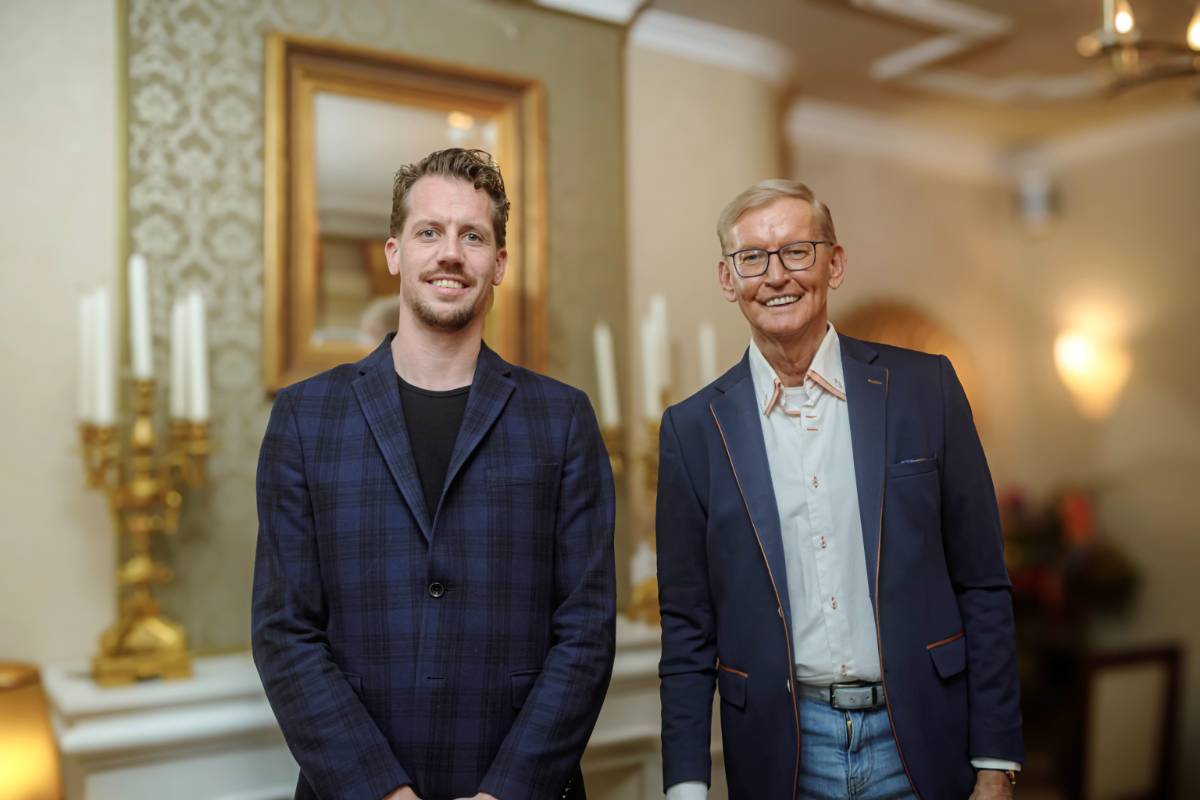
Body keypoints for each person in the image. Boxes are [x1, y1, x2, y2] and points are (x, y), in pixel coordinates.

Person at [253, 148, 616, 800]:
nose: (451, 253)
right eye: (430, 232)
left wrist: (506, 792)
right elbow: (286, 634)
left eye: (472, 235)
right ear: (395, 253)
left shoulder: (562, 419)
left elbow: (586, 634)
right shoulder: (305, 418)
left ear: (498, 263)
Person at [655, 179, 1023, 799]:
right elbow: (688, 627)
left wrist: (996, 762)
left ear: (835, 262)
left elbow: (982, 584)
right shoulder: (692, 431)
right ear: (727, 279)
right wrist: (686, 788)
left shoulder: (925, 388)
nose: (776, 276)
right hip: (784, 755)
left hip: (928, 741)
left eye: (798, 251)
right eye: (753, 258)